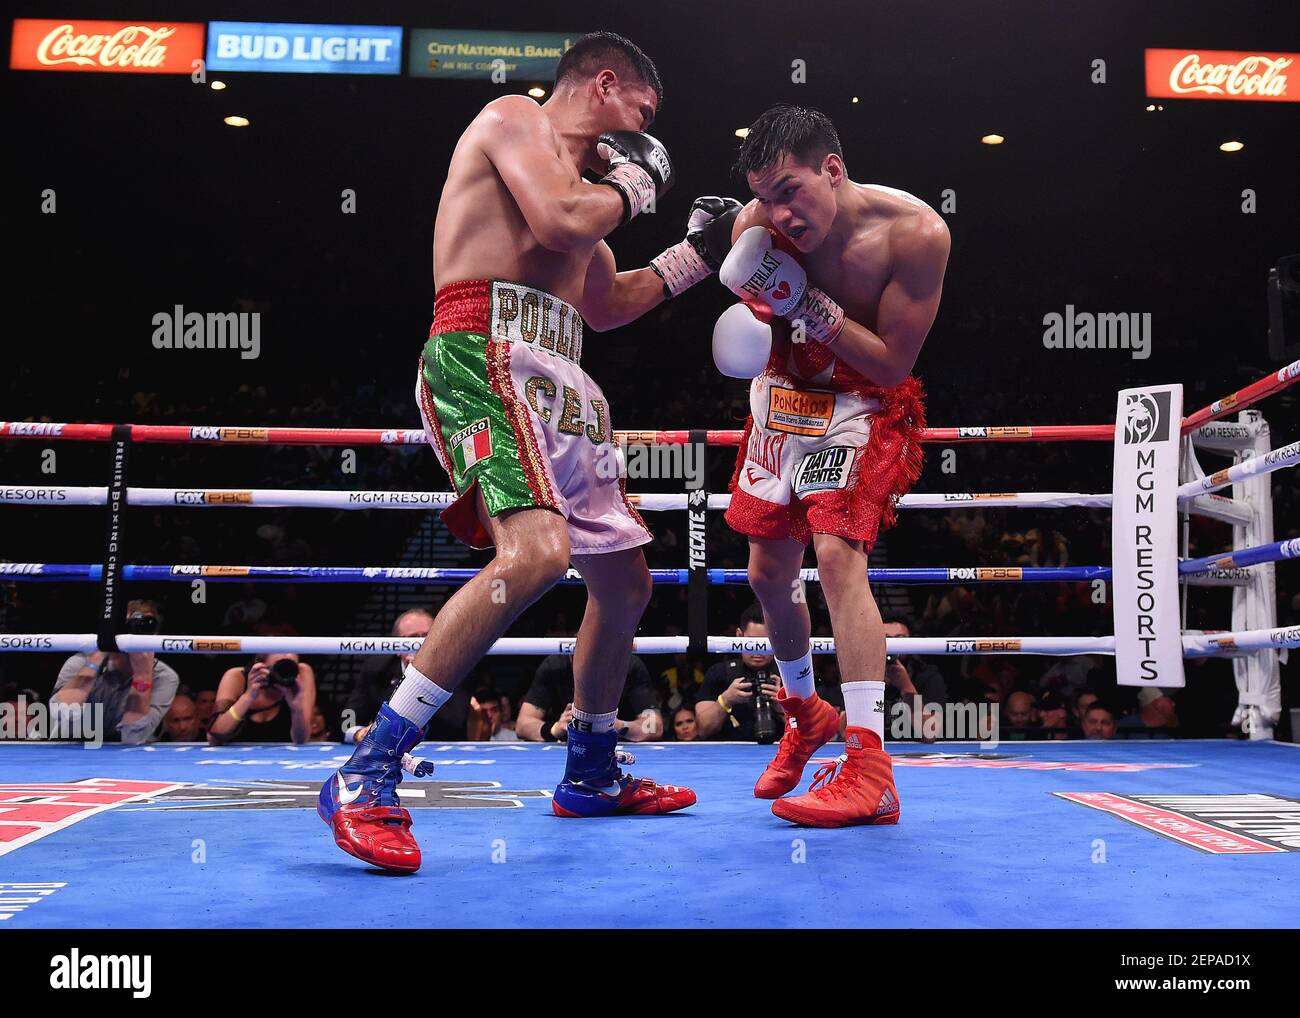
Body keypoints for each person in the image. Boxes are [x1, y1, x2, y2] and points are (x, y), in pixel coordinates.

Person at [319, 32, 733, 871]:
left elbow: (608, 300)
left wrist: (697, 256)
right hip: (482, 353)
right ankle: (367, 768)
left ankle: (590, 769)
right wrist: (635, 180)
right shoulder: (513, 119)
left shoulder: (584, 191)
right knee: (539, 554)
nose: (643, 132)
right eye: (643, 113)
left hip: (560, 377)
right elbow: (559, 219)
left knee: (625, 582)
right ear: (607, 85)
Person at [714, 106, 950, 826]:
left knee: (838, 555)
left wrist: (809, 305)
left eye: (791, 191)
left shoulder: (914, 234)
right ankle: (804, 714)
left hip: (864, 402)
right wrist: (760, 313)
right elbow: (757, 330)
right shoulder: (754, 226)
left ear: (833, 170)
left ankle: (870, 763)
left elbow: (892, 360)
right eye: (765, 196)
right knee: (766, 573)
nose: (780, 213)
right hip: (785, 398)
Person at [51, 599, 179, 745]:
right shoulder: (80, 664)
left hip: (126, 759)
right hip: (72, 752)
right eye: (124, 627)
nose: (133, 634)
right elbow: (60, 714)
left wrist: (143, 675)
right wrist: (102, 648)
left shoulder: (164, 678)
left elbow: (132, 737)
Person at [516, 654, 661, 742]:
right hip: (564, 749)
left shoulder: (630, 666)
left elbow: (655, 726)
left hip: (619, 748)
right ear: (573, 657)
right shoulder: (555, 667)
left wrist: (616, 726)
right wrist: (555, 729)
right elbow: (523, 724)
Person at [209, 654, 317, 745]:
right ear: (260, 666)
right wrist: (248, 697)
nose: (285, 672)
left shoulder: (301, 675)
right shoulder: (236, 677)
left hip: (284, 759)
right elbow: (215, 734)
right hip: (236, 759)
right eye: (279, 667)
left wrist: (296, 709)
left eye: (290, 667)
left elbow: (301, 740)